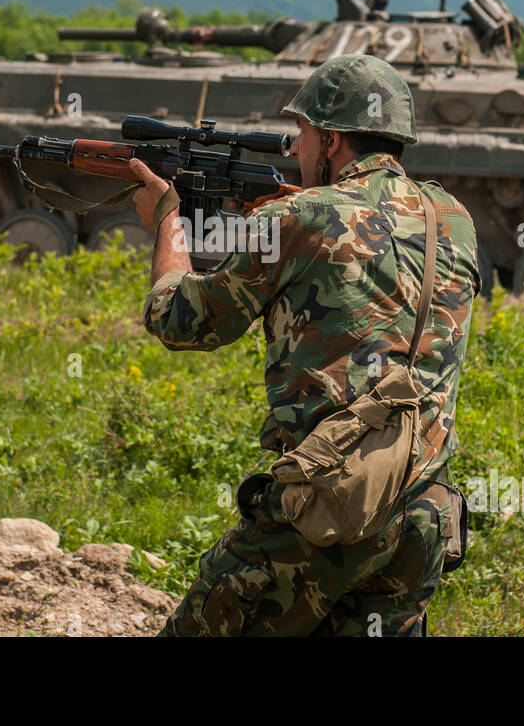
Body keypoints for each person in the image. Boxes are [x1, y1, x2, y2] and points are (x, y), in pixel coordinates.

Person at [127, 53, 480, 636]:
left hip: (326, 511)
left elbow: (180, 321)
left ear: (333, 139)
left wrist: (169, 220)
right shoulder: (454, 217)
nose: (292, 148)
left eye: (303, 133)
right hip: (423, 511)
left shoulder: (301, 216)